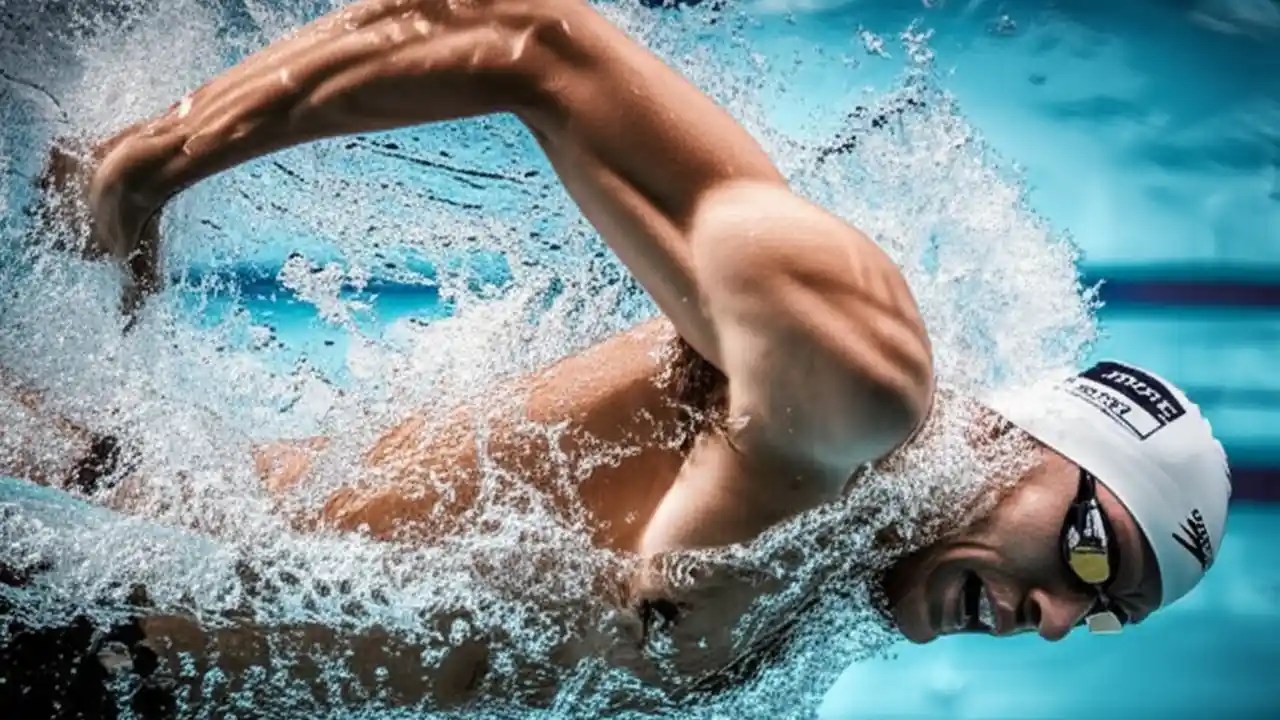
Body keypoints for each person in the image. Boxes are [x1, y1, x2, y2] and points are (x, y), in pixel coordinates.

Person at [14, 0, 1231, 707]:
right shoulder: (854, 385)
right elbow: (539, 45)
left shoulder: (847, 562)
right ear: (1036, 448)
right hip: (70, 569)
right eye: (1088, 551)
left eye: (1107, 614)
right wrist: (148, 167)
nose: (1060, 622)